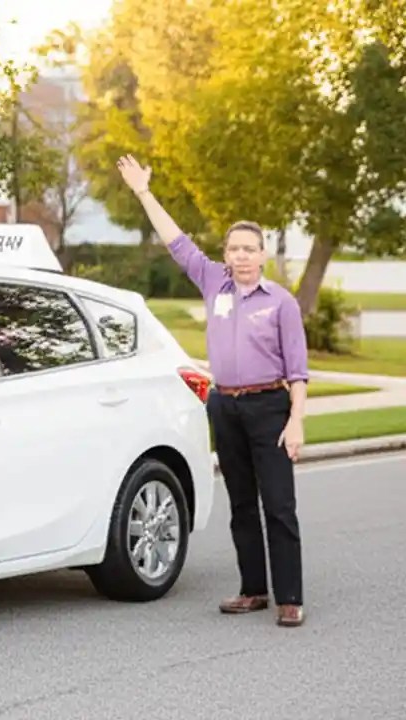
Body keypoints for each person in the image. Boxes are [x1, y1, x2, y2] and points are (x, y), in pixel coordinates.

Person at [116, 154, 308, 628]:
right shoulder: (213, 283)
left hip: (270, 406)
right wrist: (143, 192)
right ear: (226, 254)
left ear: (262, 256)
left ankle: (289, 597)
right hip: (224, 405)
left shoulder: (281, 303)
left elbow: (299, 372)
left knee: (278, 505)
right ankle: (253, 590)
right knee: (241, 503)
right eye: (234, 248)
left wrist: (296, 421)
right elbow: (175, 240)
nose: (241, 255)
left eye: (249, 249)